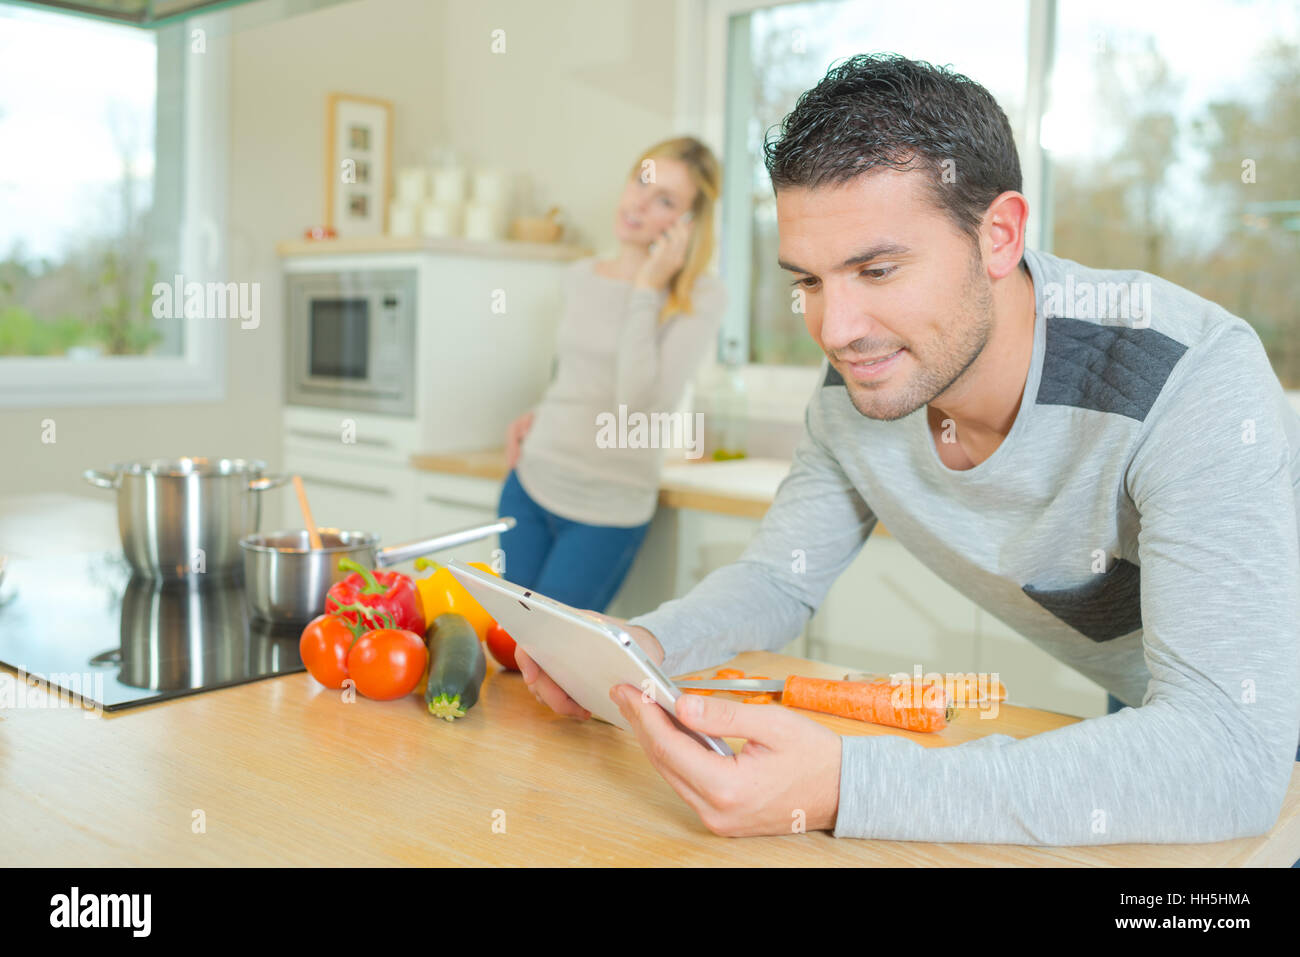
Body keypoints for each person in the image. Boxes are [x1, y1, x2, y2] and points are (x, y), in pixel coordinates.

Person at [518, 54, 1300, 847]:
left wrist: (847, 785)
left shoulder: (1190, 382)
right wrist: (640, 646)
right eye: (811, 282)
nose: (837, 328)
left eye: (878, 269)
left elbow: (1229, 752)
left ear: (998, 236)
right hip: (1161, 712)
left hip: (1254, 714)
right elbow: (775, 578)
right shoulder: (859, 392)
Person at [498, 137, 727, 614]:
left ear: (687, 223)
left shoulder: (698, 298)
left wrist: (646, 289)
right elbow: (579, 376)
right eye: (641, 182)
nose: (640, 203)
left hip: (607, 509)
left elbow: (635, 404)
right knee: (505, 646)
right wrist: (540, 413)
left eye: (665, 200)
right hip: (531, 483)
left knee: (551, 660)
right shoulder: (580, 276)